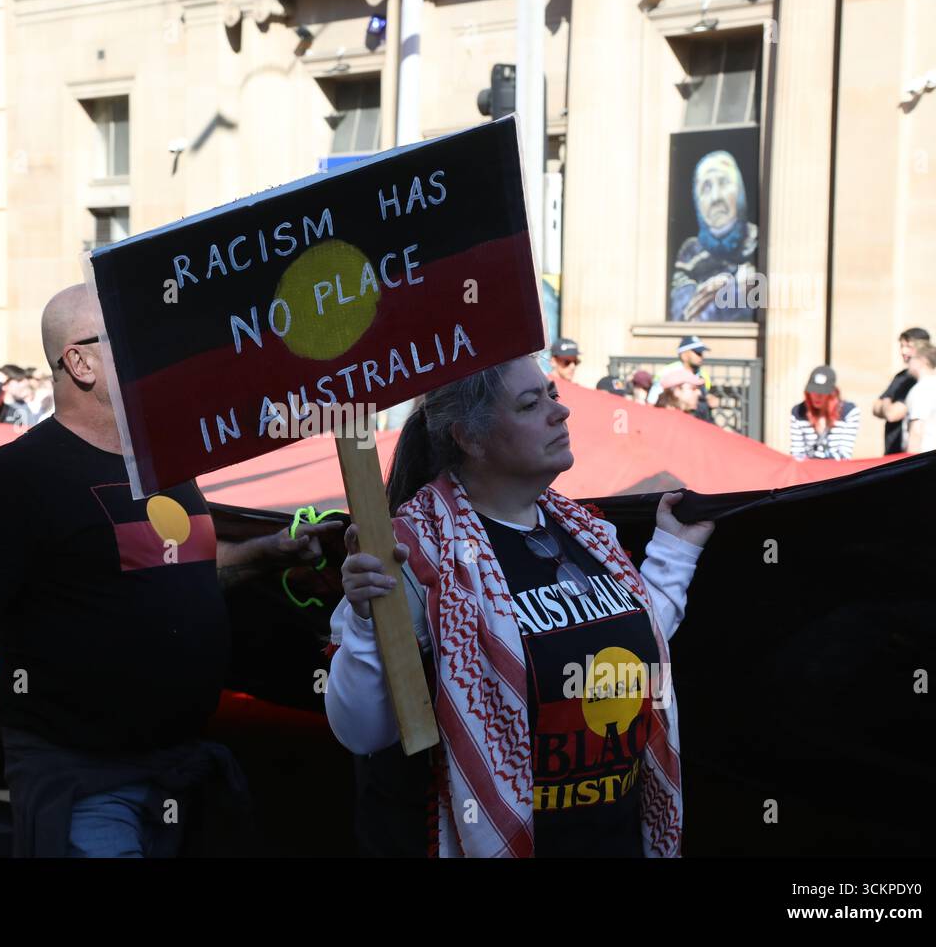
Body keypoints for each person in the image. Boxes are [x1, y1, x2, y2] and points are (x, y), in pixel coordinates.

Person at [0, 284, 339, 858]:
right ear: (80, 362)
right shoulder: (17, 477)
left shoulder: (162, 463)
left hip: (179, 771)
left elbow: (175, 567)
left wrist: (268, 551)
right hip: (83, 779)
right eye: (131, 338)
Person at [325, 354, 713, 857]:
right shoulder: (412, 555)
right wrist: (364, 620)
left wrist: (673, 553)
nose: (560, 412)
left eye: (552, 394)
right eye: (531, 404)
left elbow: (634, 647)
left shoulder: (587, 532)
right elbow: (361, 732)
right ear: (471, 437)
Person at [669, 150, 759, 323]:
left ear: (740, 191)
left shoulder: (759, 243)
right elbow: (685, 318)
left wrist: (715, 296)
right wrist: (735, 290)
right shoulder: (690, 254)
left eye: (724, 182)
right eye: (706, 187)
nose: (716, 197)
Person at [872, 327, 930, 455]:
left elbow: (892, 414)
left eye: (908, 346)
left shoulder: (919, 381)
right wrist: (887, 405)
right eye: (901, 346)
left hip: (907, 455)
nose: (903, 351)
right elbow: (875, 408)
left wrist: (886, 400)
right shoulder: (901, 376)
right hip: (891, 451)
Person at [789, 366, 860, 460]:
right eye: (813, 391)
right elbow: (796, 453)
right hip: (807, 470)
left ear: (832, 393)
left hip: (836, 470)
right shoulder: (798, 412)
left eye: (822, 392)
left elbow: (845, 454)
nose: (817, 396)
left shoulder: (849, 412)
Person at [895, 343, 936, 453]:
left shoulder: (923, 388)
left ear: (922, 360)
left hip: (923, 458)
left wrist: (909, 464)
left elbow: (917, 430)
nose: (907, 362)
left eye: (911, 358)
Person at [648, 336, 719, 421]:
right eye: (697, 353)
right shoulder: (667, 373)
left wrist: (709, 399)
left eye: (701, 353)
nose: (701, 356)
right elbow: (651, 402)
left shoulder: (703, 375)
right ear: (684, 355)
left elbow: (702, 397)